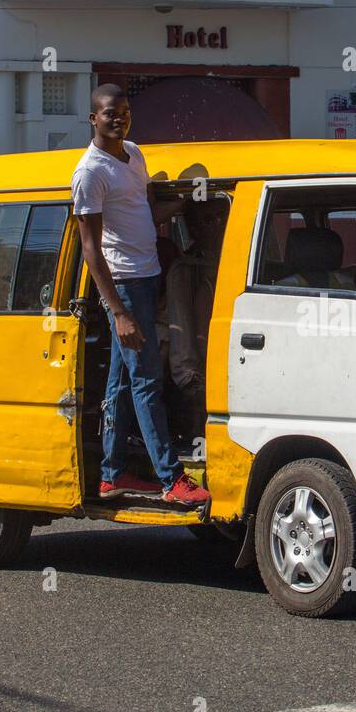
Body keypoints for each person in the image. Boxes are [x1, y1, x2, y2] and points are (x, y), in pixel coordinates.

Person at [72, 84, 210, 506]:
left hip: (149, 276)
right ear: (93, 118)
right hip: (125, 286)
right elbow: (90, 250)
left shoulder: (134, 153)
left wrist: (187, 203)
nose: (120, 118)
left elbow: (145, 212)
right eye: (111, 113)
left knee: (120, 383)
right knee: (147, 381)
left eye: (125, 111)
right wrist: (118, 312)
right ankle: (171, 479)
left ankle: (112, 476)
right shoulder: (89, 172)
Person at [166, 199, 228, 441]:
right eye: (208, 220)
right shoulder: (187, 271)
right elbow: (197, 339)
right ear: (193, 228)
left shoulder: (243, 255)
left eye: (222, 217)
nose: (218, 225)